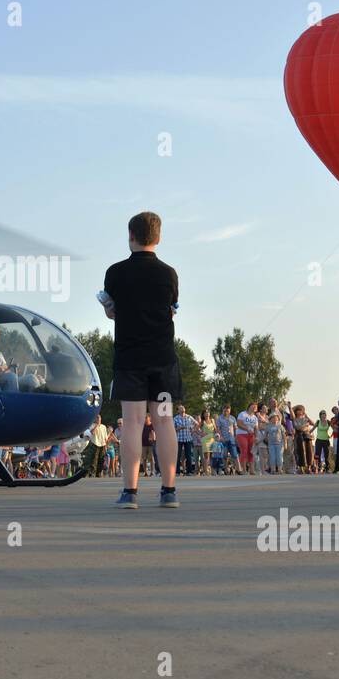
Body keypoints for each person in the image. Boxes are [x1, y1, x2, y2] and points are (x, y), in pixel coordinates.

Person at [101, 211, 181, 509]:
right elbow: (171, 308)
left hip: (130, 358)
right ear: (158, 238)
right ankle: (169, 490)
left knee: (133, 423)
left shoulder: (115, 272)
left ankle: (130, 493)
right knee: (163, 421)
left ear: (130, 236)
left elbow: (113, 310)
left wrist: (112, 312)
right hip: (162, 358)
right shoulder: (168, 274)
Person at [173, 405, 198, 476]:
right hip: (179, 439)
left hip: (188, 439)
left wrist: (193, 430)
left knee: (188, 456)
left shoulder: (189, 417)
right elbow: (172, 428)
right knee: (178, 456)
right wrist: (179, 428)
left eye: (183, 407)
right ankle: (177, 472)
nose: (182, 409)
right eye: (180, 408)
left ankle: (189, 471)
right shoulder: (175, 418)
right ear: (178, 411)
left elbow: (197, 424)